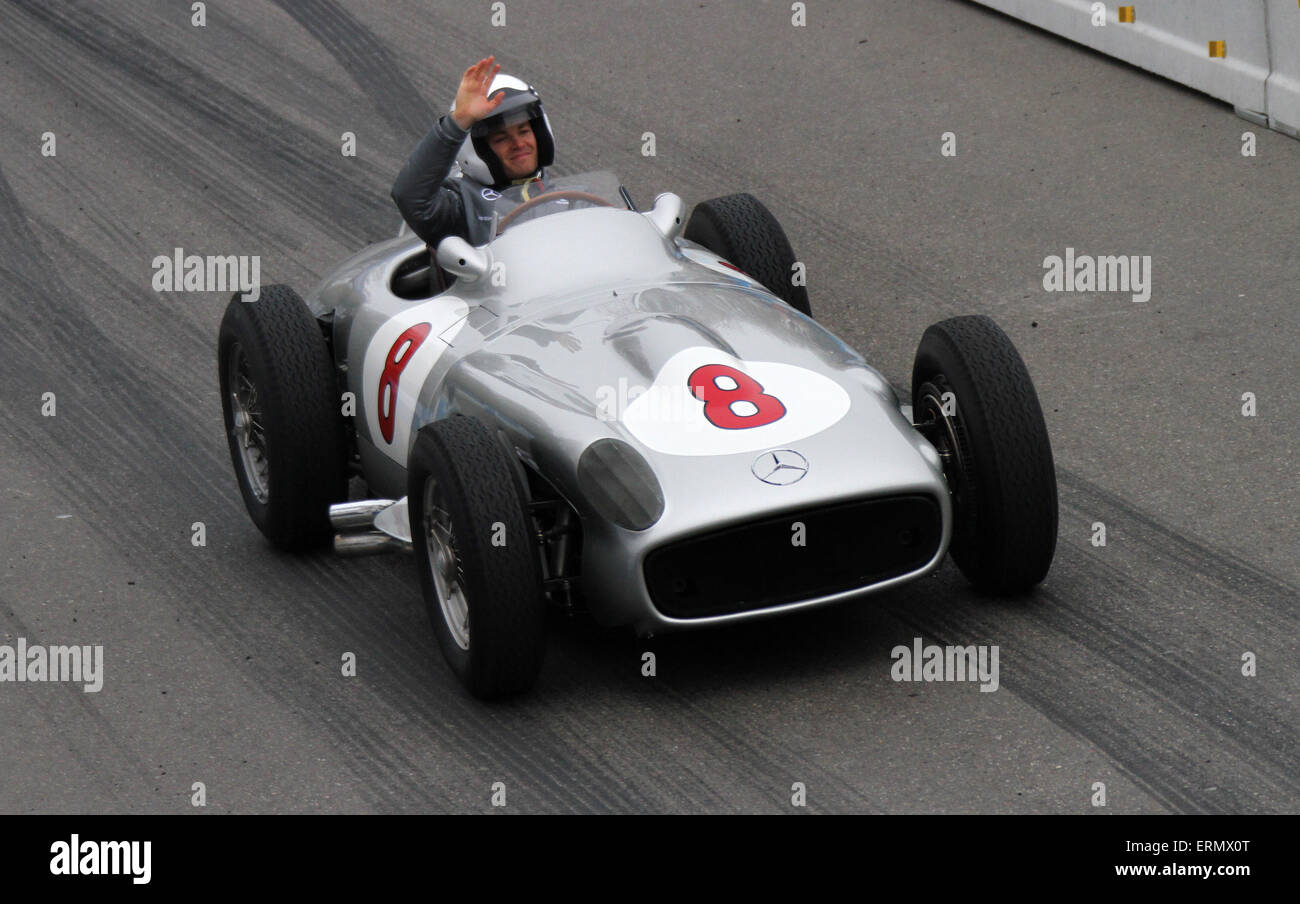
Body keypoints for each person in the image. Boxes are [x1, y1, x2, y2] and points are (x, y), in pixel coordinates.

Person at [392, 56, 556, 249]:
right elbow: (410, 197)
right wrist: (458, 122)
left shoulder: (570, 198)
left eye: (523, 131)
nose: (518, 144)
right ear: (478, 150)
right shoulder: (463, 206)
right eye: (501, 138)